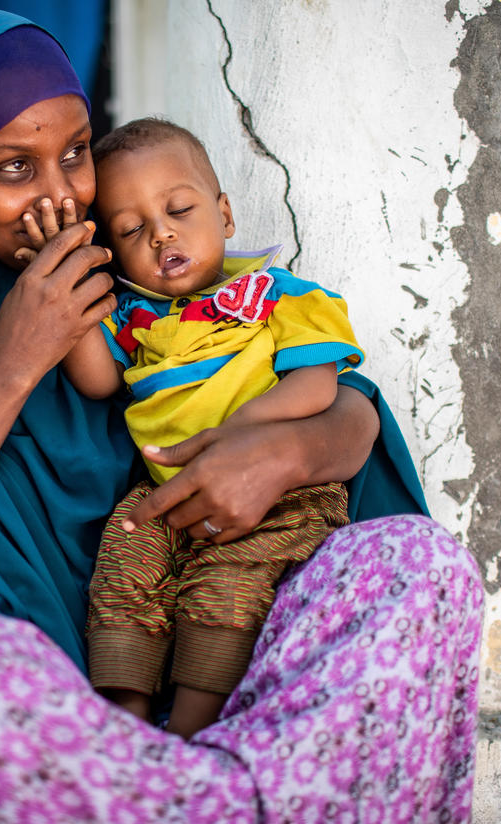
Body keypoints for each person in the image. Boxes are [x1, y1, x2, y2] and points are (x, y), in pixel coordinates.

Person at [0, 10, 483, 824]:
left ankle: (199, 783)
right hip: (40, 700)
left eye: (76, 153)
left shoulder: (124, 270)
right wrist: (14, 361)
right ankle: (220, 794)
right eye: (14, 166)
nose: (59, 196)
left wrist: (291, 451)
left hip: (212, 658)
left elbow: (333, 400)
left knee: (421, 568)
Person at [64, 117, 364, 738]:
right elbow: (96, 380)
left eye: (179, 209)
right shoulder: (136, 320)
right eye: (131, 230)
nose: (161, 233)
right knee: (123, 564)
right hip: (165, 493)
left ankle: (191, 739)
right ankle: (129, 728)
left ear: (224, 214)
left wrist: (236, 438)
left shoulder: (278, 295)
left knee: (226, 586)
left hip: (282, 493)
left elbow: (316, 384)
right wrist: (69, 274)